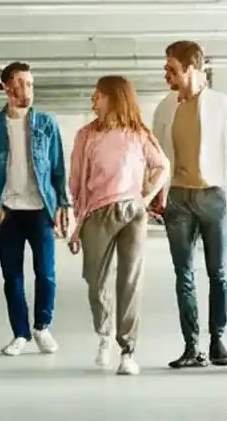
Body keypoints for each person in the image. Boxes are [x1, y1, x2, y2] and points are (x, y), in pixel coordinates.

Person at [151, 40, 227, 369]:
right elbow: (155, 156)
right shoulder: (165, 108)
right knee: (183, 273)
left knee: (218, 273)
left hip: (213, 196)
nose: (166, 75)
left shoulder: (221, 104)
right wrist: (156, 193)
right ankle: (191, 346)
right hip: (178, 198)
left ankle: (217, 341)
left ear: (191, 69)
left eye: (172, 69)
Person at [67, 75, 170, 376]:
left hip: (132, 213)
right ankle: (104, 332)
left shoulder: (138, 133)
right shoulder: (85, 135)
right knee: (95, 284)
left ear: (113, 97)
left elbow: (162, 165)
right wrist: (77, 223)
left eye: (98, 95)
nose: (93, 101)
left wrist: (146, 197)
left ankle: (127, 350)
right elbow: (76, 183)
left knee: (130, 281)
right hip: (96, 213)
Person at [0, 61, 70, 356]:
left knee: (46, 273)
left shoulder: (47, 124)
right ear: (6, 87)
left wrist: (64, 204)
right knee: (12, 276)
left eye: (30, 83)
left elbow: (58, 169)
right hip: (8, 211)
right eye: (21, 83)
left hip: (41, 209)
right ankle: (20, 333)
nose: (27, 89)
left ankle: (42, 326)